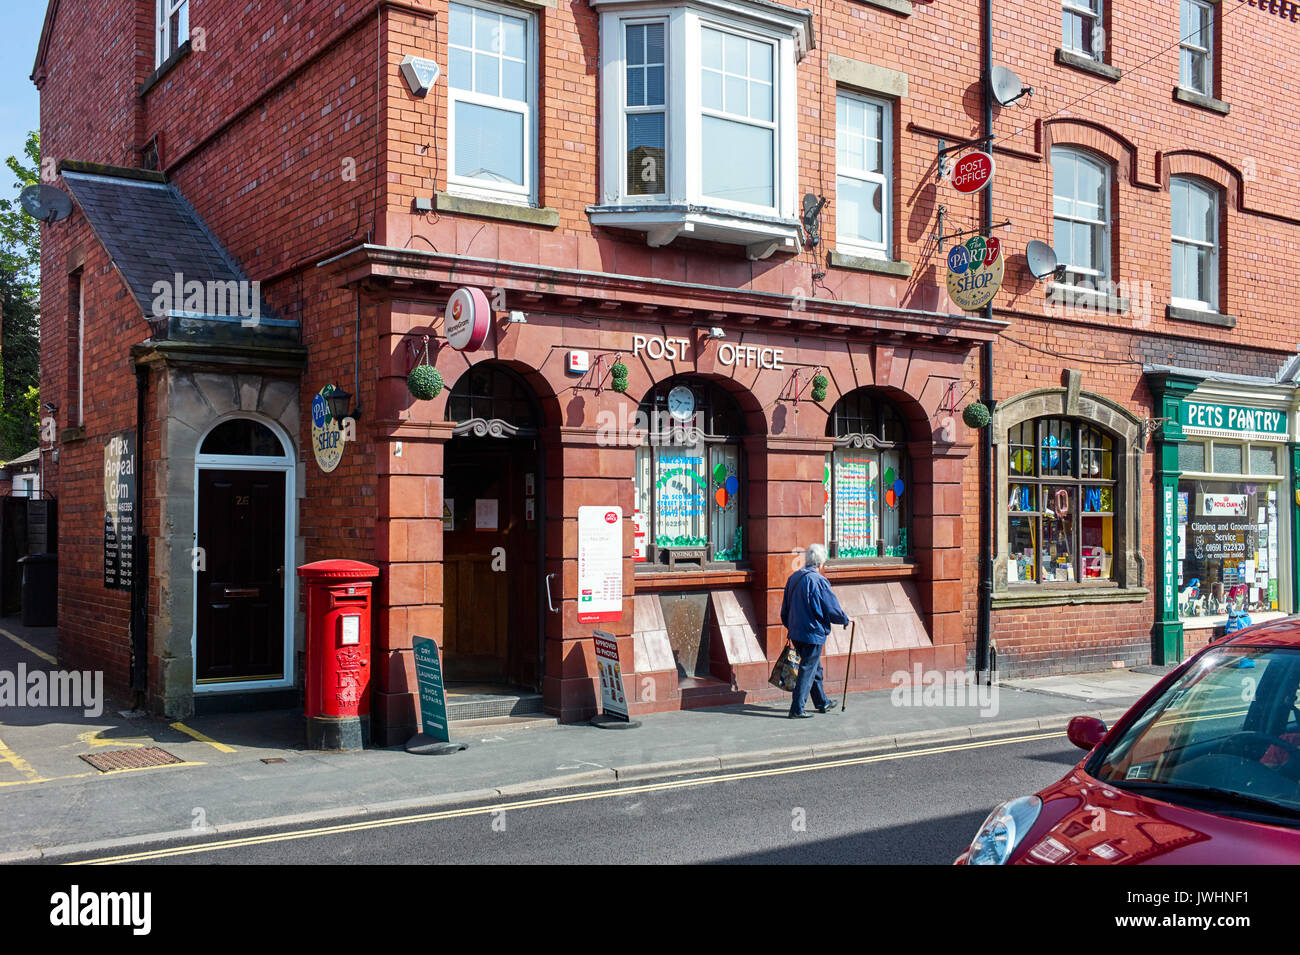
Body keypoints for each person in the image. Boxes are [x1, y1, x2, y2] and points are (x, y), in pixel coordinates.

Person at [780, 543, 850, 718]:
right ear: (821, 563)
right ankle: (797, 708)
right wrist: (844, 619)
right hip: (812, 633)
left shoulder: (793, 578)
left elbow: (784, 610)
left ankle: (821, 701)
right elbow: (831, 608)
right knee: (807, 669)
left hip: (796, 631)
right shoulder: (819, 581)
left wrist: (791, 625)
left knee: (814, 667)